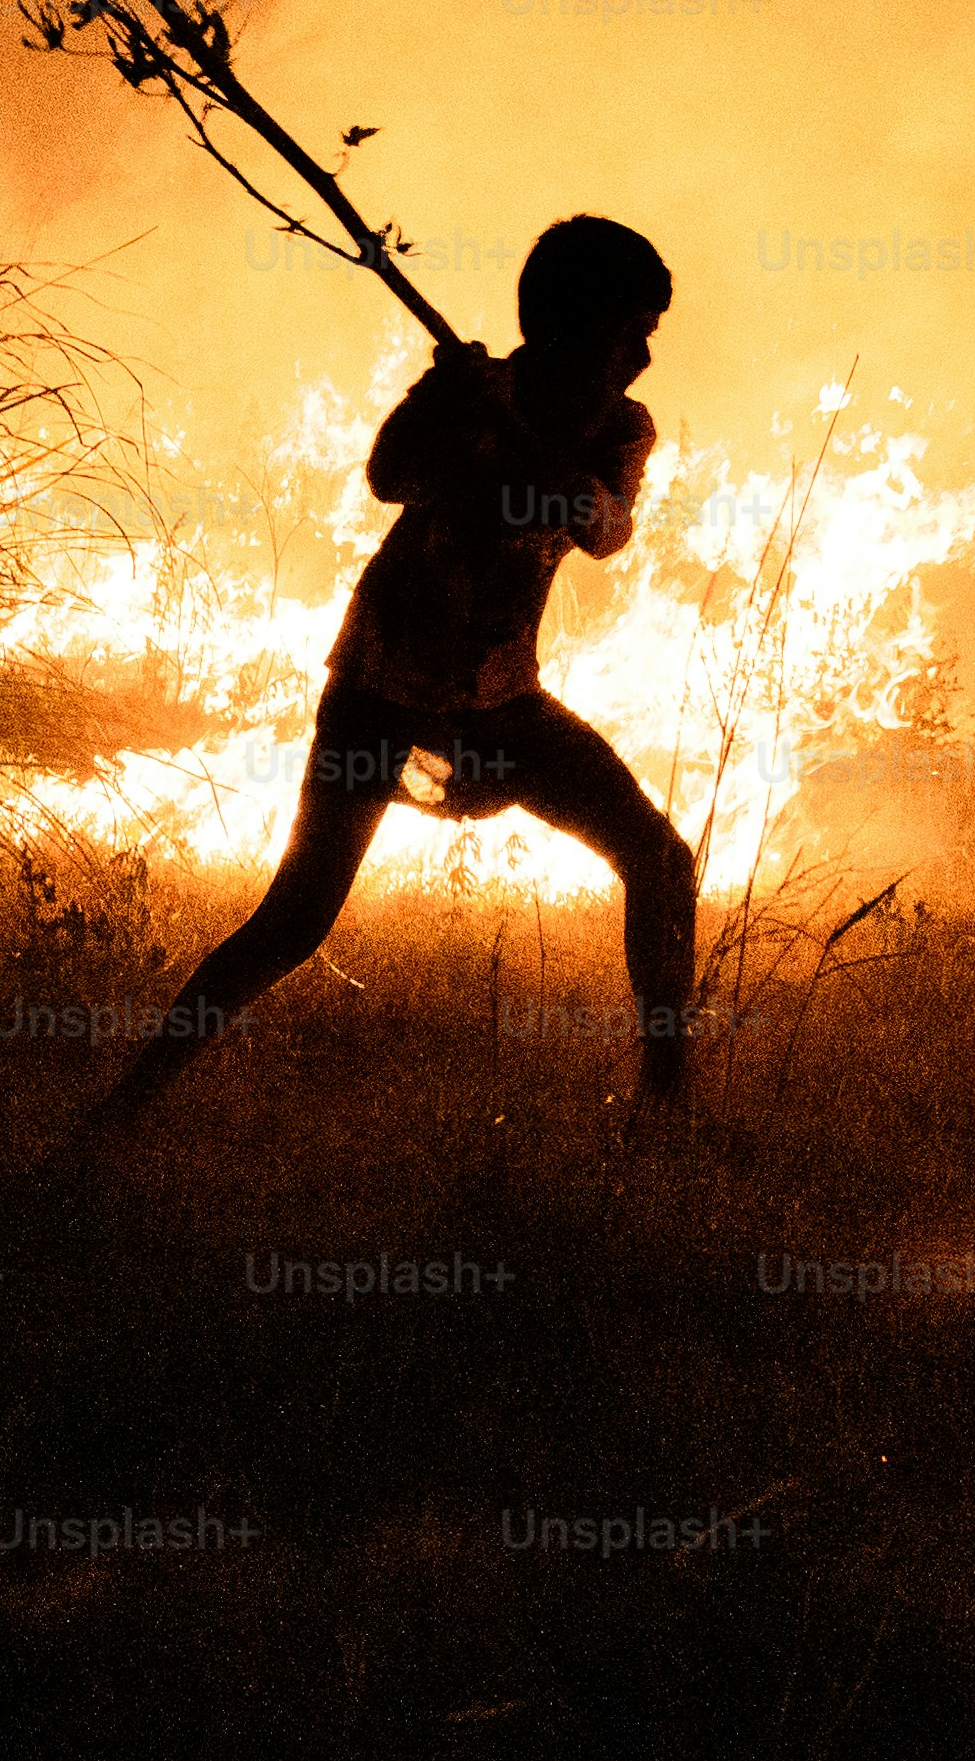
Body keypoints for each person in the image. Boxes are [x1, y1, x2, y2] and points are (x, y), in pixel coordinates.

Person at [84, 215, 701, 1129]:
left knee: (659, 859)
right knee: (295, 917)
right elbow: (387, 475)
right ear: (570, 323)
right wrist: (452, 400)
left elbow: (606, 529)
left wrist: (539, 450)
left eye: (648, 332)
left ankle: (666, 1114)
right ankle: (125, 1106)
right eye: (628, 330)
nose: (642, 355)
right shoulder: (471, 391)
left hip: (498, 703)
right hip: (379, 694)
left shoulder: (619, 428)